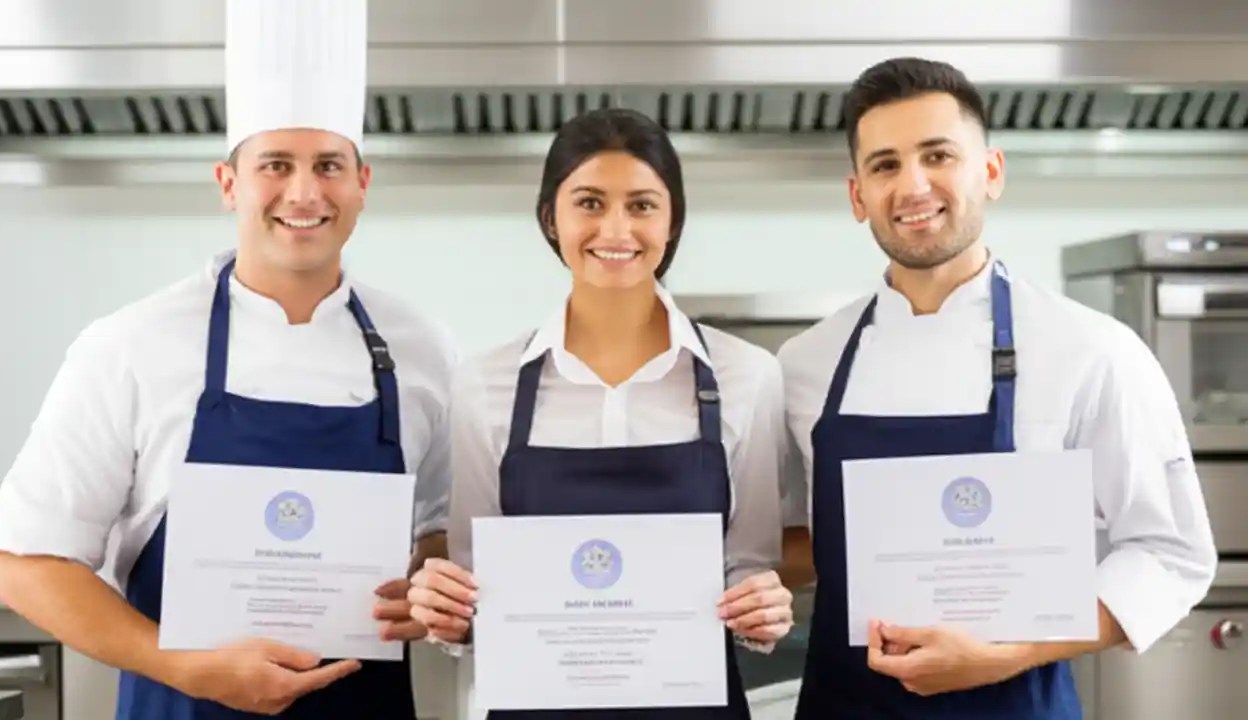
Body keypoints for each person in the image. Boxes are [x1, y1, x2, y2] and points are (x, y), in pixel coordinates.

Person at [0, 1, 457, 718]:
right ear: (229, 183)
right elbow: (25, 564)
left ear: (362, 182)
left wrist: (429, 590)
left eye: (328, 165)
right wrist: (186, 667)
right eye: (275, 165)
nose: (304, 192)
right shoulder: (132, 345)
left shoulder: (423, 348)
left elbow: (441, 534)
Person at [776, 56, 1217, 719]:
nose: (913, 185)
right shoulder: (805, 363)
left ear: (990, 171)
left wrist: (1008, 652)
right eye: (886, 164)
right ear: (857, 194)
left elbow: (1171, 552)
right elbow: (790, 545)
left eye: (938, 155)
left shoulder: (1090, 349)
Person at [406, 107, 794, 718]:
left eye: (642, 205)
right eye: (589, 202)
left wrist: (762, 611)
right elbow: (475, 584)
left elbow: (748, 567)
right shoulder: (485, 384)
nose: (616, 229)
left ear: (673, 222)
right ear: (549, 219)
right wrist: (446, 611)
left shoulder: (747, 378)